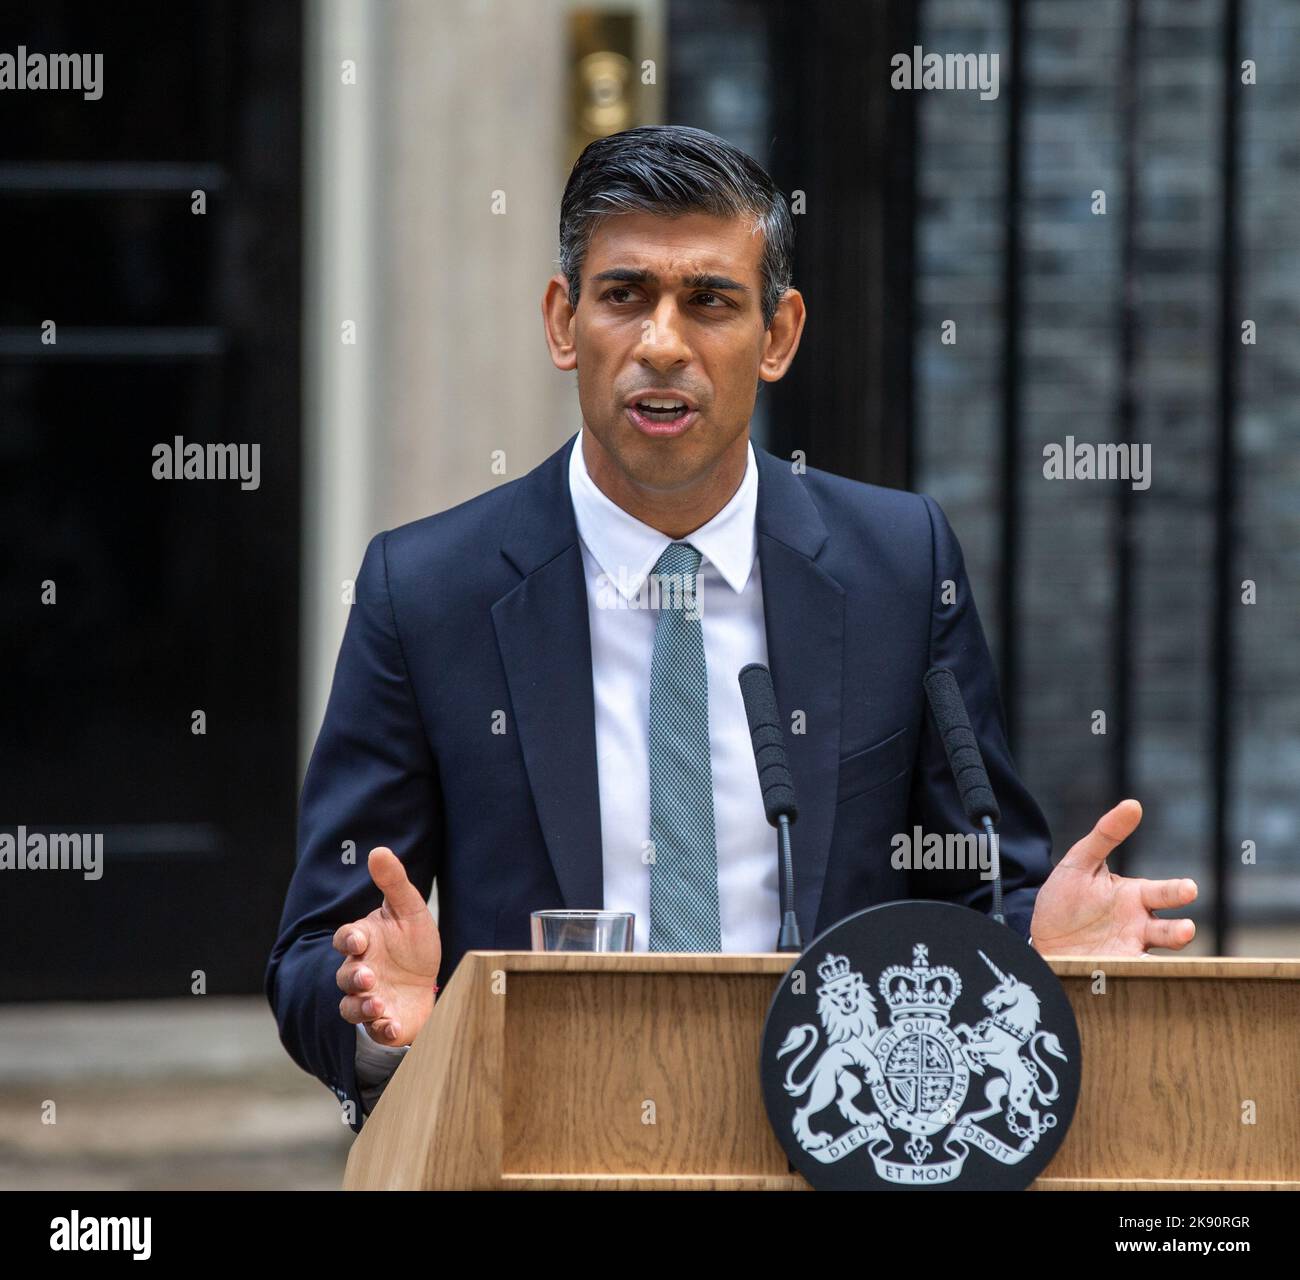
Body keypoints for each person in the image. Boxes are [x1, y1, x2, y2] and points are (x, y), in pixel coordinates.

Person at [265, 125, 1197, 1132]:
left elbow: (978, 880)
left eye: (709, 300)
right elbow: (318, 947)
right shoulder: (428, 590)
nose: (662, 342)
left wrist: (1034, 946)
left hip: (830, 1151)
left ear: (779, 334)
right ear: (562, 320)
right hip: (544, 1145)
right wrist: (388, 1026)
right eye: (624, 295)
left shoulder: (897, 563)